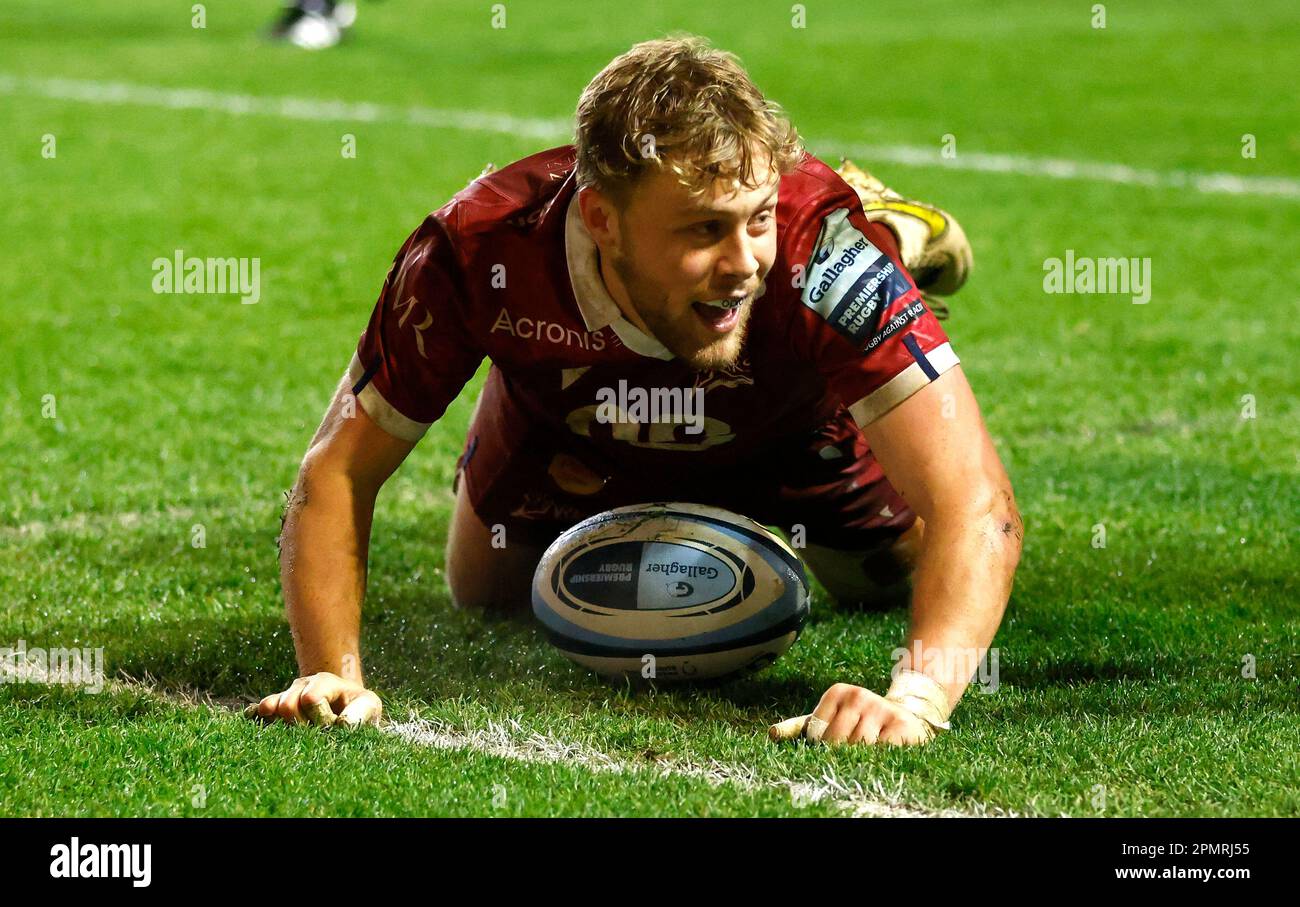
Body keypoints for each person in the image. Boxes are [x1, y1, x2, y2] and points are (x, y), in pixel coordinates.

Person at [249, 35, 1022, 746]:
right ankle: (528, 380)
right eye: (703, 229)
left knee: (886, 574)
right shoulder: (475, 252)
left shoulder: (818, 247)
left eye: (757, 218)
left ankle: (891, 231)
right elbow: (338, 467)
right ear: (602, 220)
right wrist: (329, 672)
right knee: (484, 592)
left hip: (790, 419)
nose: (744, 261)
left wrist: (918, 697)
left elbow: (978, 505)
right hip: (573, 421)